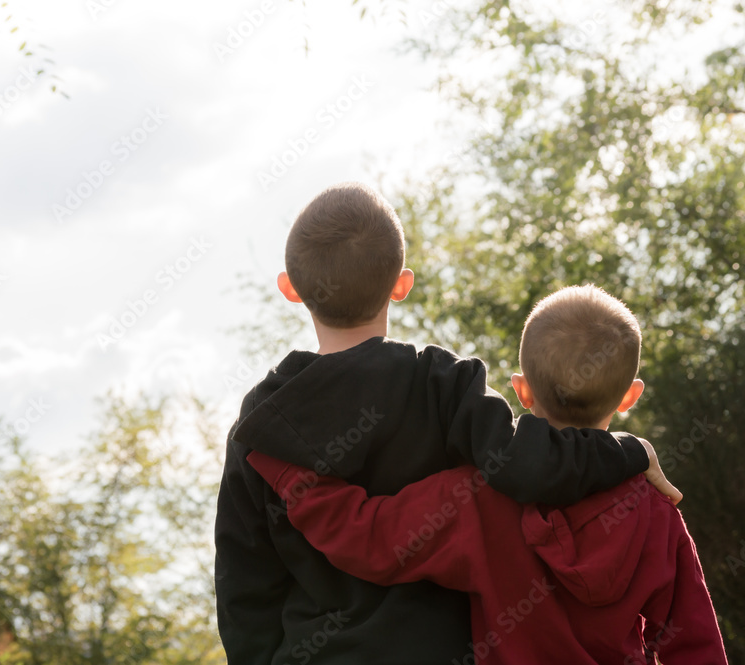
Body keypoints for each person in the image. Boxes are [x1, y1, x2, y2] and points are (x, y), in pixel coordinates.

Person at [215, 184, 681, 664]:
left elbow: (243, 586)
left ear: (290, 287)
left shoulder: (260, 420)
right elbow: (530, 467)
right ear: (401, 283)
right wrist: (627, 451)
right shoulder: (444, 382)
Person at [249, 284, 726, 664]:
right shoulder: (655, 511)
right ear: (630, 396)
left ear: (520, 391)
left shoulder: (477, 496)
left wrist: (290, 471)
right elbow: (696, 642)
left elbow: (369, 538)